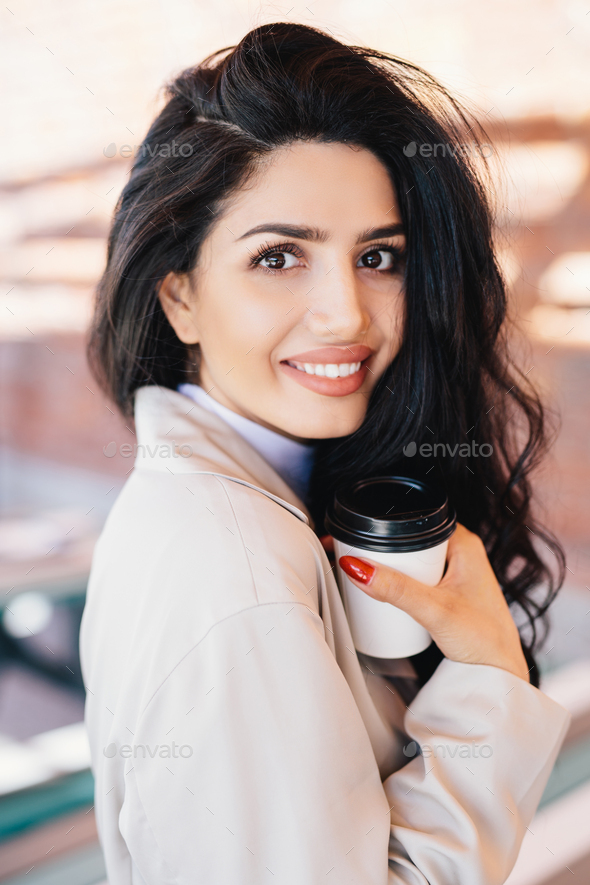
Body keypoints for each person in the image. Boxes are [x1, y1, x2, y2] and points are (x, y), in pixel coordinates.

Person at [80, 22, 571, 884]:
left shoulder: (279, 500)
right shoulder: (229, 575)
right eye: (280, 256)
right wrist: (490, 677)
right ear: (180, 297)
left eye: (378, 256)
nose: (346, 314)